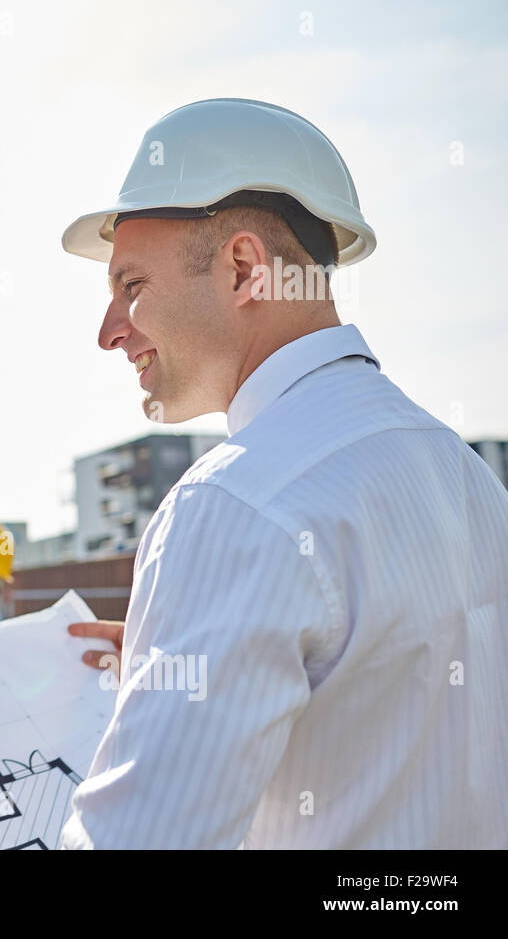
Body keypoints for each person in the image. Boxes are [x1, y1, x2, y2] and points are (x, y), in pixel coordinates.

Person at [58, 98, 508, 848]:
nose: (109, 332)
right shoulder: (468, 479)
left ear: (242, 268)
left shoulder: (232, 504)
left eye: (130, 286)